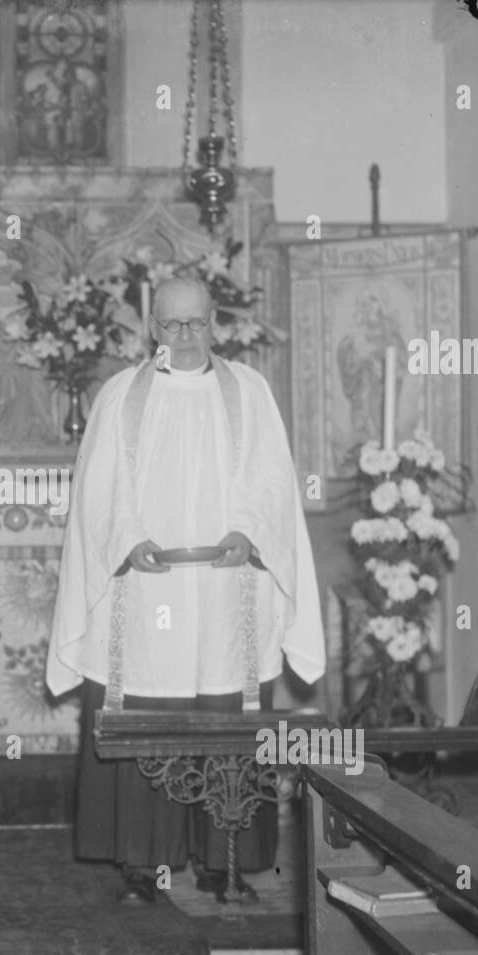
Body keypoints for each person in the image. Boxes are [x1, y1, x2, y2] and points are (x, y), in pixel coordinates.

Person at [46, 276, 325, 903]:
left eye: (196, 324)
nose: (185, 337)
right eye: (171, 326)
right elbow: (97, 489)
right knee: (149, 710)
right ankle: (143, 866)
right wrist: (126, 539)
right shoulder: (120, 395)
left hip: (226, 593)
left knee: (221, 712)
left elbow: (274, 481)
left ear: (215, 321)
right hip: (145, 595)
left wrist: (250, 531)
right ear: (152, 327)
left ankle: (219, 862)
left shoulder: (249, 392)